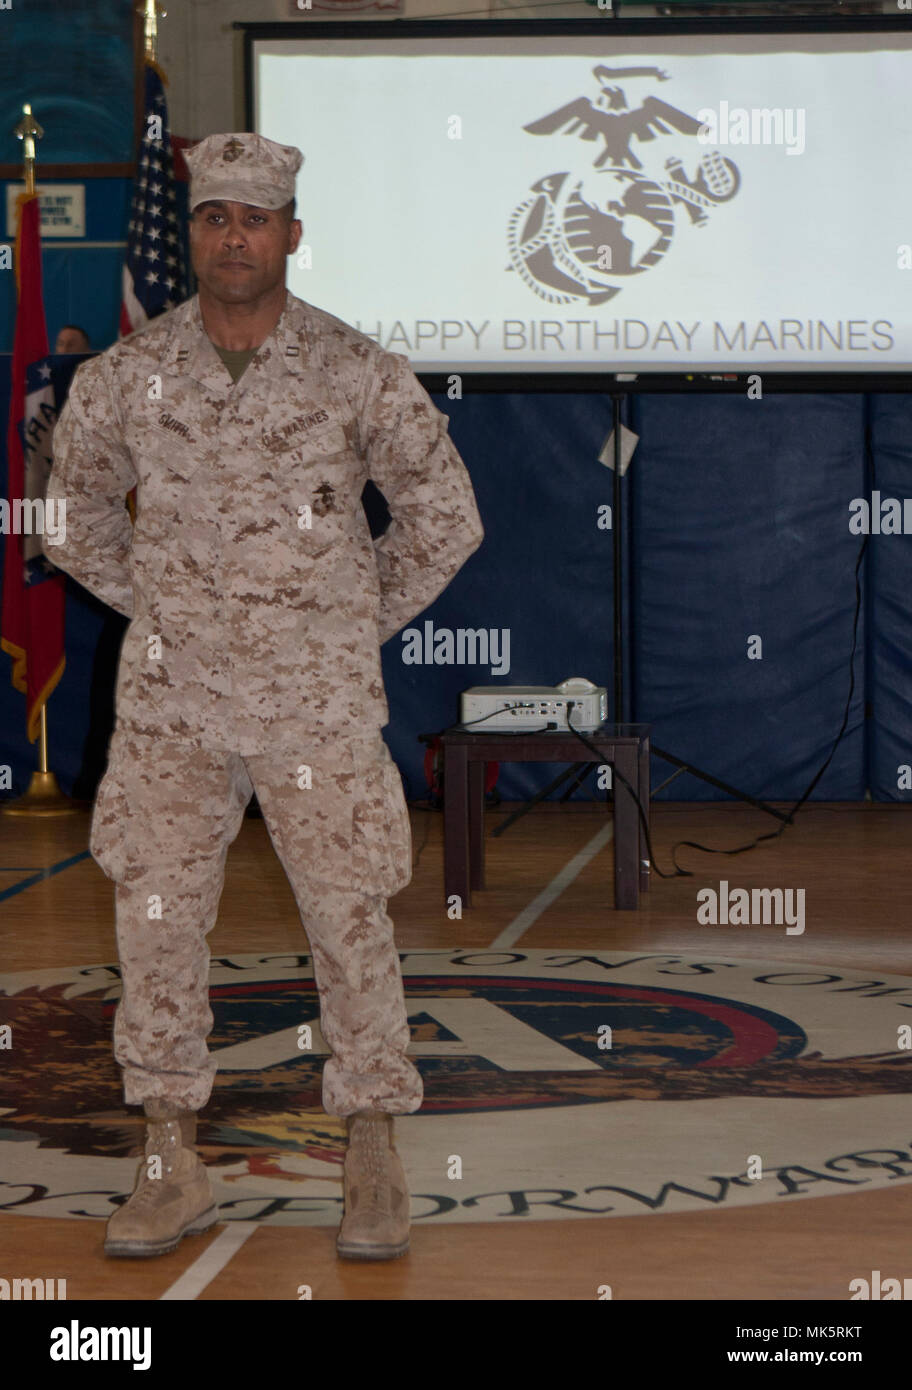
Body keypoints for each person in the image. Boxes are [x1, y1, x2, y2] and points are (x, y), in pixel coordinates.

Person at [43, 131, 484, 1262]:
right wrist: (168, 606)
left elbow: (445, 518)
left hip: (317, 709)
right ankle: (167, 1157)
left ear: (292, 234)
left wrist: (340, 621)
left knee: (350, 924)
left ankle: (374, 1147)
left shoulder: (356, 370)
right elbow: (77, 513)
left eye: (254, 217)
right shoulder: (126, 378)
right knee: (155, 925)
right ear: (192, 233)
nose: (232, 235)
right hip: (173, 708)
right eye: (213, 216)